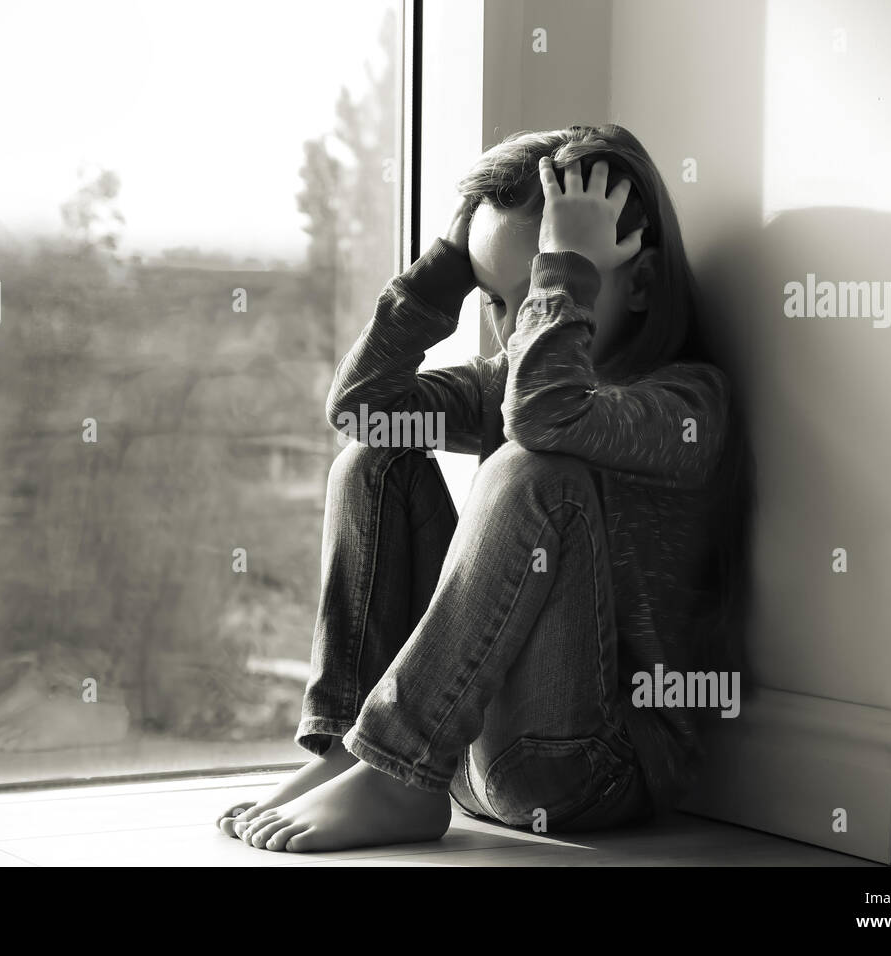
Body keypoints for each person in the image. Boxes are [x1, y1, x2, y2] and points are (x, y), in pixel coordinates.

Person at [216, 123, 753, 853]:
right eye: (495, 301)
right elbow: (362, 408)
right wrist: (445, 263)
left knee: (530, 468)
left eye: (539, 292)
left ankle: (394, 769)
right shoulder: (516, 379)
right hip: (463, 756)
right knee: (375, 458)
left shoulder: (689, 405)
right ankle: (360, 751)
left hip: (584, 771)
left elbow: (545, 415)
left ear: (643, 283)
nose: (509, 330)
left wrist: (560, 267)